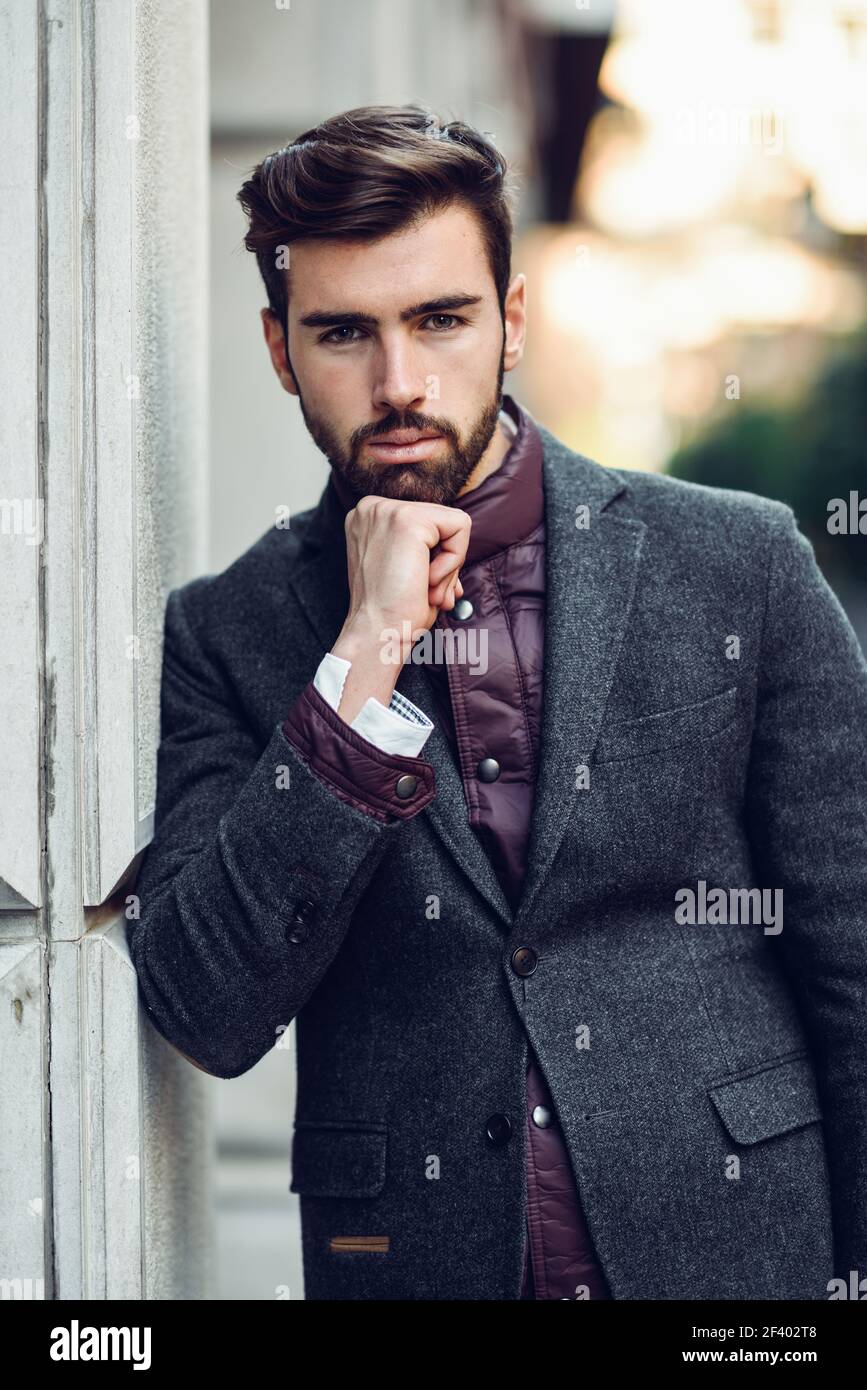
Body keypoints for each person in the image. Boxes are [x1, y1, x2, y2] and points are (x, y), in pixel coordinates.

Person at [126, 104, 867, 1301]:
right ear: (278, 350)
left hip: (732, 1267)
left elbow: (855, 958)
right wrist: (359, 658)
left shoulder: (739, 564)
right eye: (342, 334)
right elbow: (207, 1006)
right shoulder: (227, 634)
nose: (400, 382)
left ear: (512, 320)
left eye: (441, 319)